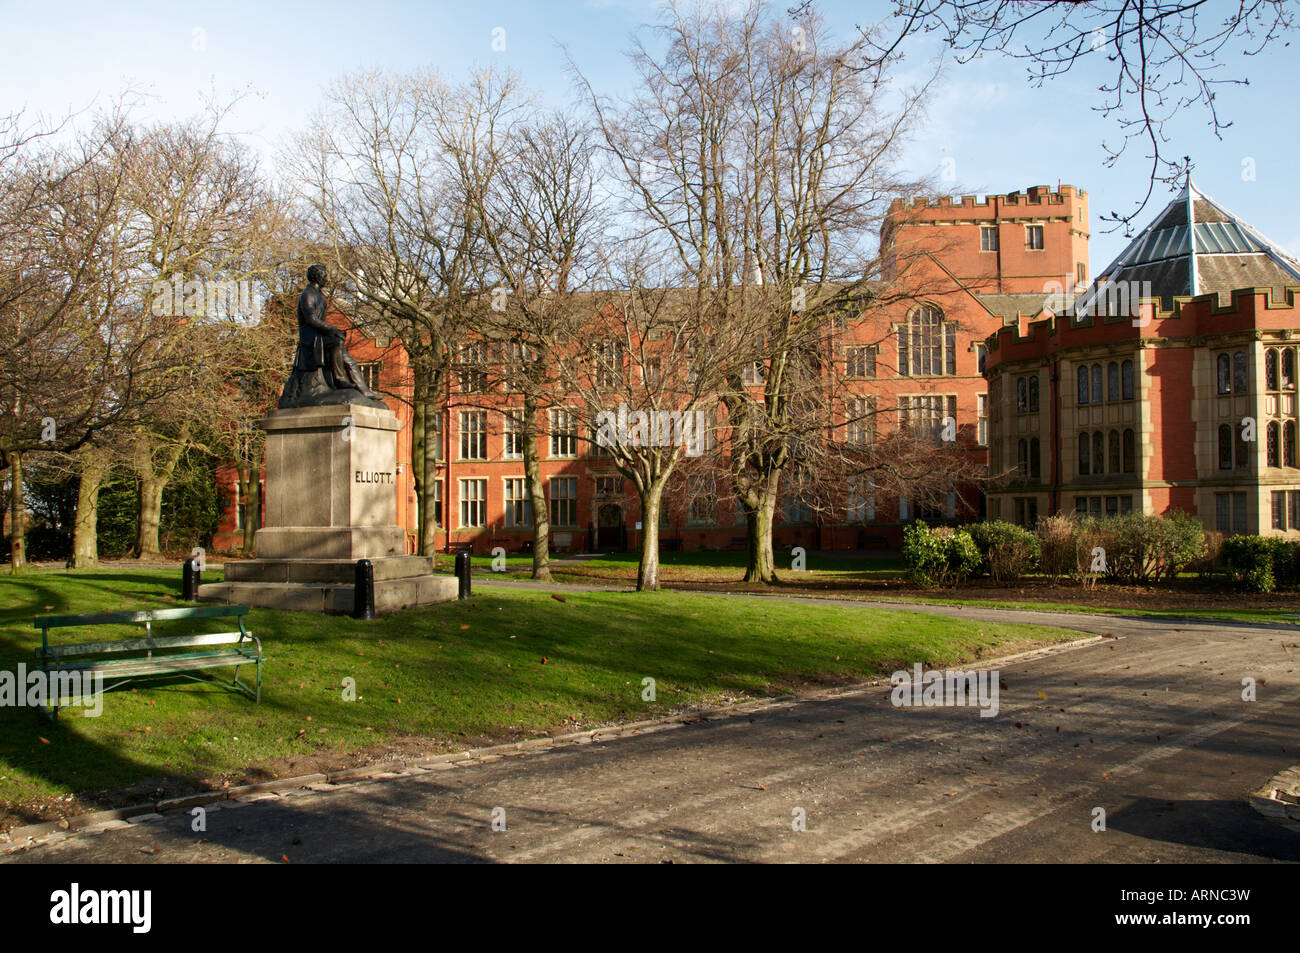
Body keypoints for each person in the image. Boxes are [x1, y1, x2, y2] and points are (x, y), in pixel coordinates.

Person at [278, 264, 386, 409]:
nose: (327, 279)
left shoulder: (320, 295)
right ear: (318, 276)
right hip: (310, 338)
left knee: (349, 361)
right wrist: (332, 329)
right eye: (324, 276)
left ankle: (365, 391)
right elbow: (310, 319)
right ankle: (340, 379)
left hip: (320, 336)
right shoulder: (308, 294)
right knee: (336, 340)